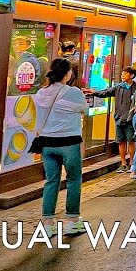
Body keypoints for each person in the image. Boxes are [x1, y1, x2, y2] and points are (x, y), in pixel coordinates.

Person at [33, 58, 89, 237]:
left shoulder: (41, 93)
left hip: (47, 144)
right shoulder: (73, 92)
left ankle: (47, 224)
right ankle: (72, 221)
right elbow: (84, 110)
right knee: (73, 180)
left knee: (51, 182)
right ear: (67, 73)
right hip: (69, 143)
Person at [85, 67, 136, 172]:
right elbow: (105, 93)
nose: (122, 75)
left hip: (131, 119)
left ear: (131, 75)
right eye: (122, 73)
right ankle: (123, 163)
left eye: (125, 73)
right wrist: (94, 92)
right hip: (119, 119)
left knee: (131, 141)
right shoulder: (118, 87)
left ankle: (132, 163)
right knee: (121, 141)